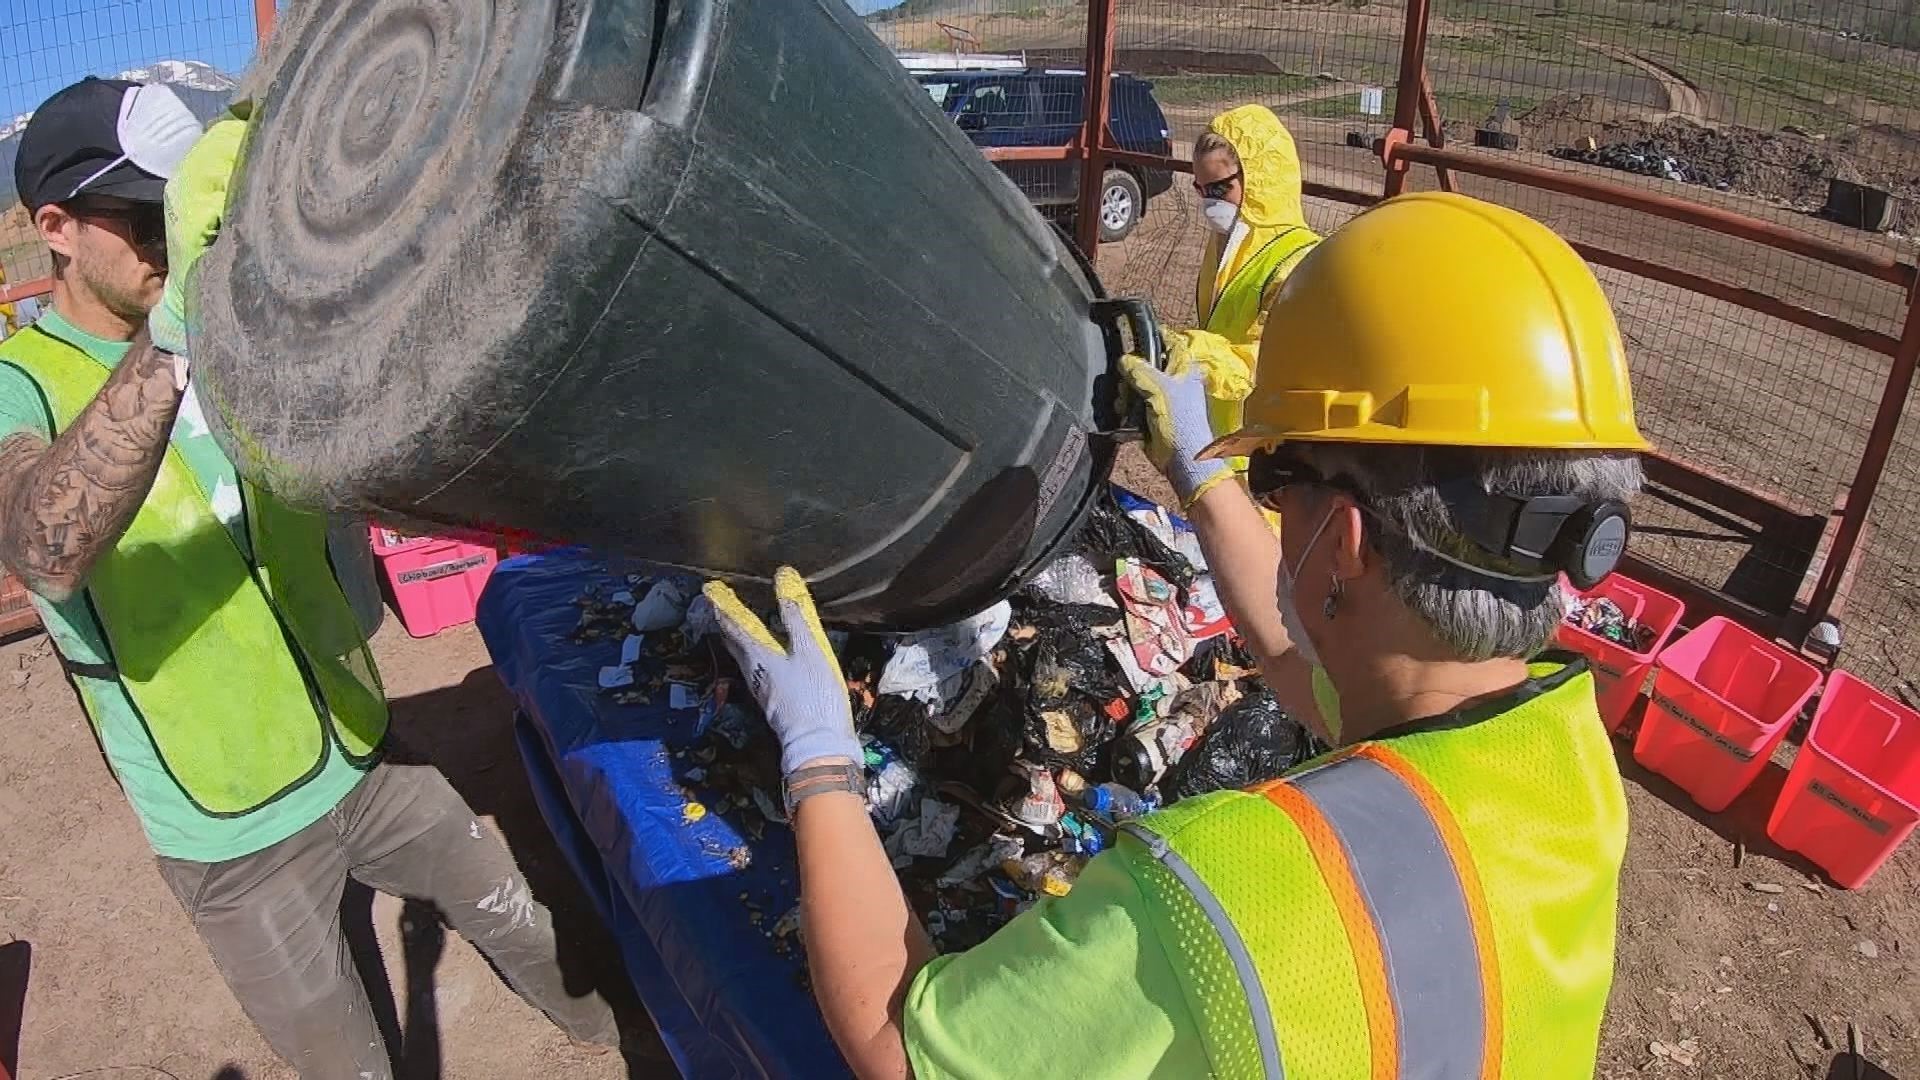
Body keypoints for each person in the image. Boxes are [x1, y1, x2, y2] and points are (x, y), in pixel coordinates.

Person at [703, 192, 1648, 1078]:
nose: (1270, 506)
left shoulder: (1222, 893)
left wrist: (821, 759)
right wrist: (1201, 480)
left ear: (1346, 541)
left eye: (1282, 485)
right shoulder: (1564, 769)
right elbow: (1293, 657)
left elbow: (898, 1046)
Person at [0, 78, 621, 1077]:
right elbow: (44, 548)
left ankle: (630, 1038)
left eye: (185, 211)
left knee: (522, 918)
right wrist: (171, 349)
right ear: (58, 228)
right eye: (142, 219)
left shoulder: (239, 336)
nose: (173, 239)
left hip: (361, 741)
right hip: (228, 818)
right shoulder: (20, 384)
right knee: (346, 1060)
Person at [1179, 105, 1321, 485]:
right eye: (1201, 189)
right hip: (1225, 447)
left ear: (1258, 179)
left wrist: (1195, 354)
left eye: (1219, 188)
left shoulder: (1297, 261)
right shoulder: (1226, 248)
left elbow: (1272, 365)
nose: (1210, 201)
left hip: (1268, 459)